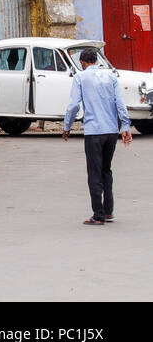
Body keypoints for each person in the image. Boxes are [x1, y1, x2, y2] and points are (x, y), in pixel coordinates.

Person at [63, 47, 133, 225]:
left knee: (94, 172)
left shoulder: (80, 77)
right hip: (111, 131)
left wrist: (67, 126)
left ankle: (98, 215)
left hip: (94, 131)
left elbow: (73, 106)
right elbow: (120, 103)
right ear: (96, 60)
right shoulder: (110, 76)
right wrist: (125, 126)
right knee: (106, 170)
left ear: (83, 63)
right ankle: (108, 211)